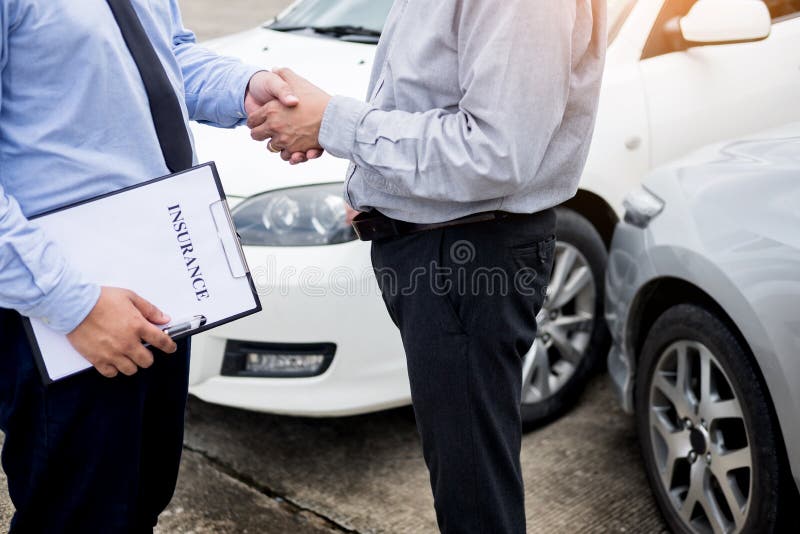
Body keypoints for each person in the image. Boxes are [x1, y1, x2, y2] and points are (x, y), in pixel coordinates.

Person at [246, 0, 607, 532]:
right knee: (463, 478)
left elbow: (494, 153)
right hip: (441, 248)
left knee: (473, 499)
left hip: (465, 253)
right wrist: (373, 184)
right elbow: (426, 95)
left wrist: (335, 123)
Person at [0, 0, 318, 531]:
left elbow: (165, 57)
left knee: (140, 500)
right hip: (67, 307)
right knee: (77, 515)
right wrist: (73, 304)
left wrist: (248, 87)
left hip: (163, 273)